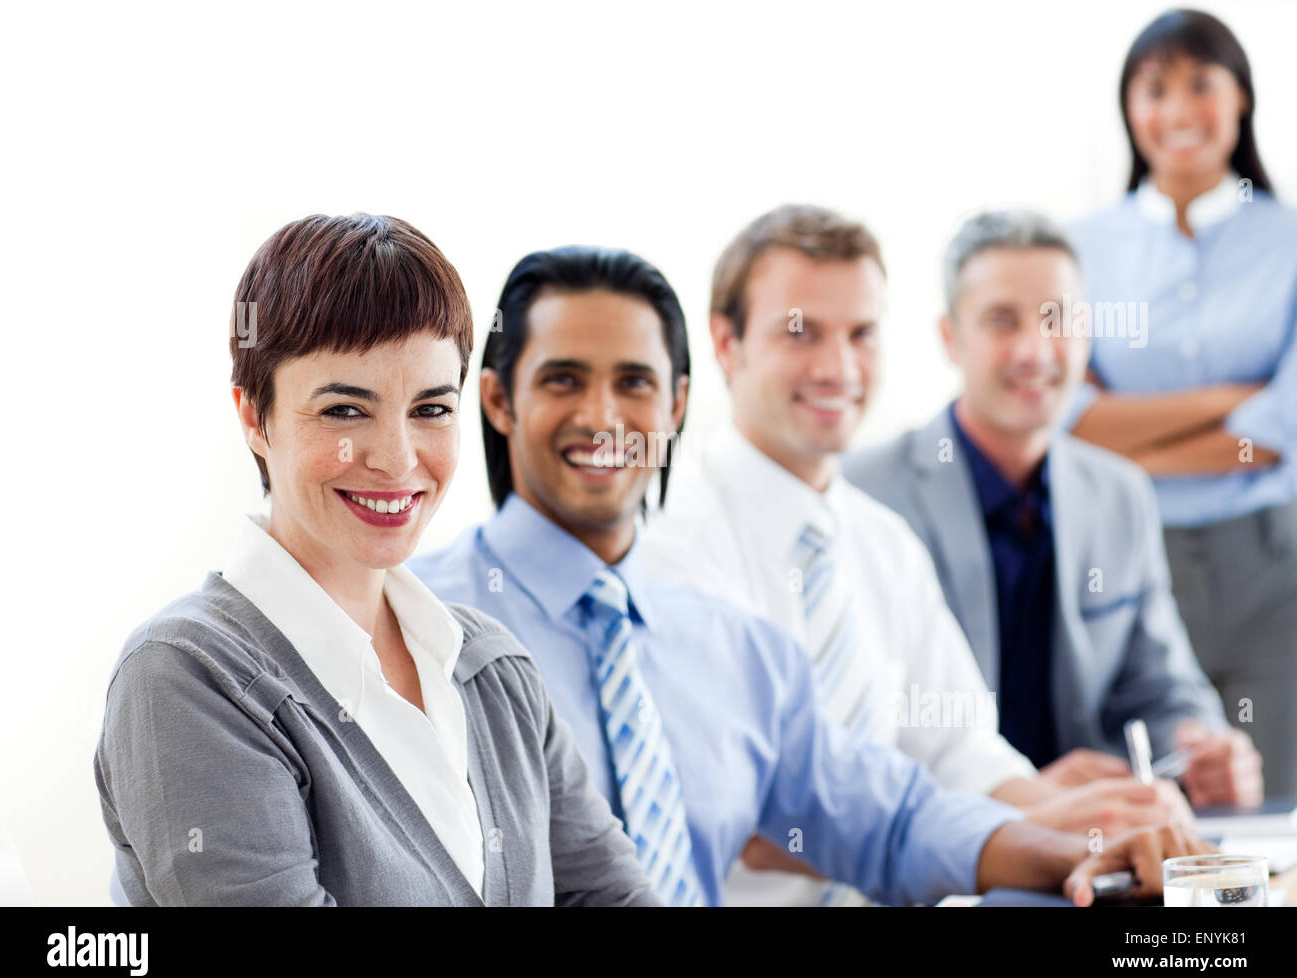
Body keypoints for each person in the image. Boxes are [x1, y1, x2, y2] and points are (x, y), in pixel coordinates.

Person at [409, 243, 1210, 909]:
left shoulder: (731, 647)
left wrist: (1081, 848)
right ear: (498, 401)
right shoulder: (420, 619)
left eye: (635, 382)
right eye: (563, 379)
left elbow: (892, 818)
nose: (604, 416)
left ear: (678, 403)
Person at [93, 214, 659, 906]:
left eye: (430, 409)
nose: (396, 458)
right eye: (344, 411)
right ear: (253, 416)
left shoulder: (494, 671)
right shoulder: (187, 676)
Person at [645, 204, 1196, 908]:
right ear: (726, 343)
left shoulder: (883, 544)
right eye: (801, 333)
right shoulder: (671, 549)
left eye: (861, 334)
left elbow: (963, 754)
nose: (838, 367)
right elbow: (746, 817)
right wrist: (1046, 833)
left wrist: (1107, 819)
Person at [845, 209, 1262, 810]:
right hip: (937, 852)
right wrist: (1021, 797)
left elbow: (1160, 687)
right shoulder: (867, 493)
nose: (1033, 350)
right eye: (1000, 321)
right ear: (950, 338)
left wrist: (1202, 747)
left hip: (1092, 849)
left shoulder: (1120, 494)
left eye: (1056, 319)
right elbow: (855, 731)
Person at [1062, 9, 1297, 796]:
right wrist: (1230, 398)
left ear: (1241, 99)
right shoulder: (1078, 249)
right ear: (1129, 110)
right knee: (1157, 790)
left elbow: (1275, 432)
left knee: (1274, 791)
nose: (1177, 110)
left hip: (1271, 564)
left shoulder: (1288, 241)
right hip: (1129, 549)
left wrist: (1126, 440)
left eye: (1202, 83)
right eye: (1154, 88)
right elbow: (1067, 418)